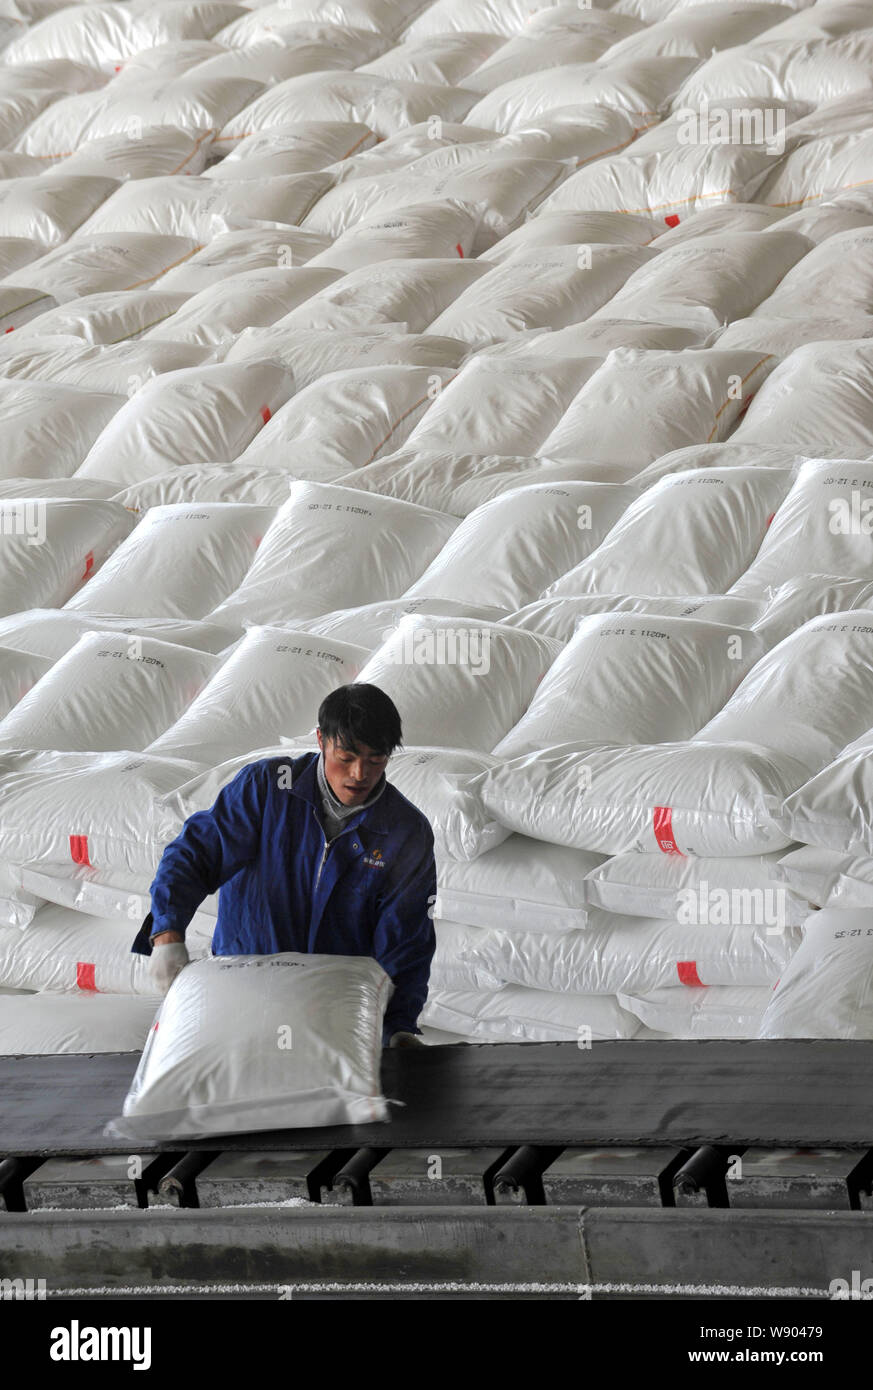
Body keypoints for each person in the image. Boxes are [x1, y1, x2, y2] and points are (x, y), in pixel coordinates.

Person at [131, 683, 436, 1048]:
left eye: (376, 759)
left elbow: (406, 939)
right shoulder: (267, 790)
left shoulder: (403, 831)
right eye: (347, 756)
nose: (359, 774)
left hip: (332, 1014)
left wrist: (398, 1027)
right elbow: (195, 853)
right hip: (244, 995)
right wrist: (167, 933)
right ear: (321, 739)